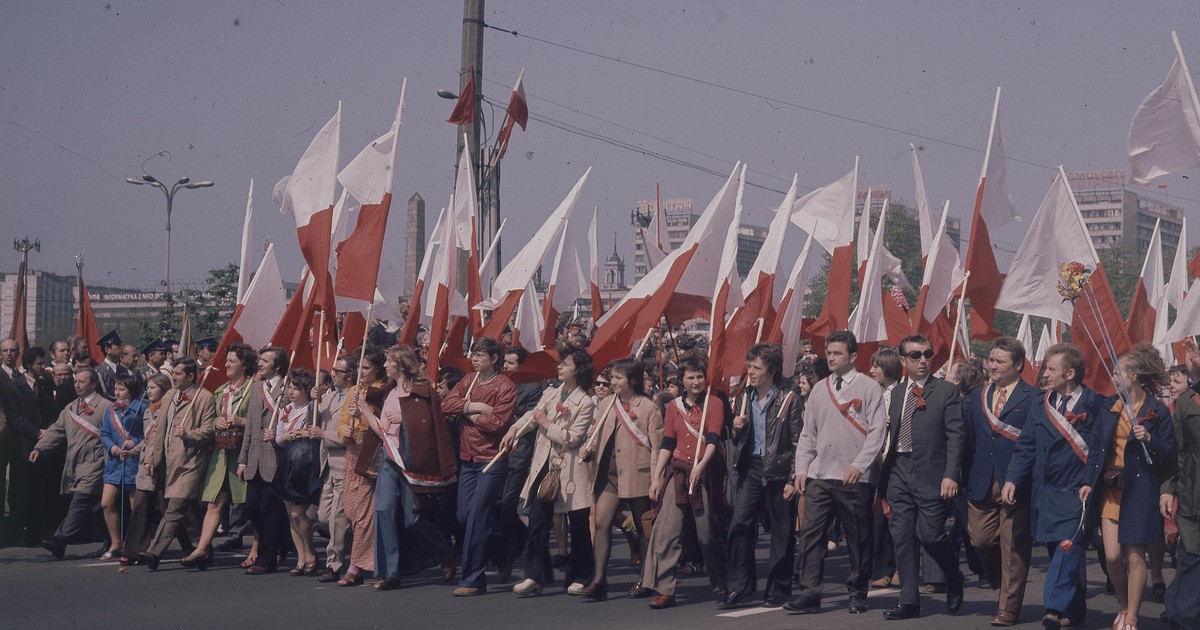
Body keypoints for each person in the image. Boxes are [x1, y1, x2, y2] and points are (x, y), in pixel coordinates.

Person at [1002, 343, 1110, 630]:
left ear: (1070, 373)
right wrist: (1013, 477)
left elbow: (1099, 450)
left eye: (1051, 368)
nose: (1044, 373)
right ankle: (1074, 609)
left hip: (1078, 491)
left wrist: (1089, 481)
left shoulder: (1096, 404)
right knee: (1057, 551)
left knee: (1067, 549)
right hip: (1046, 491)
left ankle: (1052, 608)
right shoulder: (1041, 404)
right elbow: (1025, 446)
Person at [785, 330, 887, 615]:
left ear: (853, 356)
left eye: (837, 353)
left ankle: (857, 591)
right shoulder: (819, 389)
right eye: (829, 353)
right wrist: (802, 469)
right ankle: (809, 592)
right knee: (811, 535)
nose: (831, 358)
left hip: (854, 477)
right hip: (821, 475)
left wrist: (859, 465)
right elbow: (808, 434)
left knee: (857, 537)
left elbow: (877, 432)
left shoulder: (869, 388)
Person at [879, 334, 966, 620]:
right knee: (901, 536)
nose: (923, 361)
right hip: (899, 471)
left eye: (927, 354)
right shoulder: (895, 393)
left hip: (931, 472)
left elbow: (956, 436)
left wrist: (951, 474)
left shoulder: (945, 392)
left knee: (930, 535)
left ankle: (953, 575)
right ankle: (909, 601)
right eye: (915, 356)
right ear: (903, 360)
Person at [357, 345, 457, 590]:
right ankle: (390, 572)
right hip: (390, 460)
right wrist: (364, 410)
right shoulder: (387, 392)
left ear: (400, 365)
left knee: (413, 520)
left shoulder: (423, 391)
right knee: (383, 510)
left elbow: (429, 424)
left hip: (414, 462)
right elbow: (381, 429)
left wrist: (405, 418)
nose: (385, 366)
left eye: (389, 362)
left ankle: (445, 554)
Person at [500, 348, 597, 598]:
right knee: (537, 522)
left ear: (579, 370)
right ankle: (536, 574)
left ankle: (580, 575)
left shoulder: (584, 402)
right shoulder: (551, 392)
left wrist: (546, 423)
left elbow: (573, 439)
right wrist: (514, 430)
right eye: (561, 363)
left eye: (566, 364)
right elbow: (531, 418)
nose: (560, 367)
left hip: (569, 471)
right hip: (543, 466)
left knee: (578, 526)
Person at [1095, 350, 1176, 630]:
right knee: (1113, 557)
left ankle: (1132, 617)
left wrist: (1150, 437)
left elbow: (1170, 454)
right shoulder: (1109, 407)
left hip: (1141, 490)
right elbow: (1097, 449)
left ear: (1134, 376)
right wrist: (1085, 482)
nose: (1114, 377)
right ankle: (1123, 604)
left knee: (1134, 556)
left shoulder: (1158, 410)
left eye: (1118, 372)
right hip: (1111, 490)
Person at [640, 355, 729, 609]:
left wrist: (701, 466)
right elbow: (667, 443)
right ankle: (665, 589)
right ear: (682, 380)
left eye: (700, 376)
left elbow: (713, 439)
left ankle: (723, 583)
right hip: (677, 473)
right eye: (690, 377)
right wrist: (656, 476)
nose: (696, 381)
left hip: (704, 474)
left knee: (707, 536)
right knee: (666, 532)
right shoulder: (672, 407)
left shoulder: (714, 402)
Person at [963, 337, 1040, 626]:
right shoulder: (977, 396)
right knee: (980, 540)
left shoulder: (1033, 398)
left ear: (1018, 365)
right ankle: (999, 580)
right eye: (990, 360)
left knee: (1013, 548)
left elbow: (1032, 443)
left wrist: (1020, 477)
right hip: (983, 480)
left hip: (1016, 483)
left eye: (999, 361)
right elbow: (971, 439)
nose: (992, 366)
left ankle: (1008, 608)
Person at [722, 343, 804, 609]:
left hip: (780, 471)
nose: (751, 373)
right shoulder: (744, 396)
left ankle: (779, 589)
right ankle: (740, 588)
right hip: (752, 468)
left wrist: (793, 478)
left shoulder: (788, 397)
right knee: (740, 525)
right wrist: (736, 429)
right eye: (749, 367)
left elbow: (797, 442)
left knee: (781, 530)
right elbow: (740, 437)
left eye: (756, 368)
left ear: (771, 369)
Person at [576, 357, 663, 602]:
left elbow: (657, 448)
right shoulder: (606, 403)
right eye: (612, 377)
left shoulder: (648, 408)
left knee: (644, 529)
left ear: (632, 380)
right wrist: (588, 446)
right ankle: (599, 580)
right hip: (610, 475)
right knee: (602, 523)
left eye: (617, 378)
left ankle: (645, 580)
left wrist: (657, 478)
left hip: (639, 474)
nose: (612, 382)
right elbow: (597, 432)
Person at [441, 336, 518, 597]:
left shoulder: (505, 387)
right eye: (472, 354)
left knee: (476, 518)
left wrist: (468, 415)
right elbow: (446, 405)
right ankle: (500, 549)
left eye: (480, 355)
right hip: (468, 457)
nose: (474, 359)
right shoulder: (468, 381)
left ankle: (473, 578)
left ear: (494, 359)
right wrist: (473, 406)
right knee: (464, 516)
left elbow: (497, 423)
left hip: (491, 459)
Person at [139, 356, 216, 570]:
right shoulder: (170, 396)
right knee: (184, 510)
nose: (173, 377)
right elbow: (157, 430)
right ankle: (201, 550)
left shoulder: (205, 398)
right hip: (167, 462)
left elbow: (209, 430)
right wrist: (151, 458)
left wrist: (189, 434)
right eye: (172, 373)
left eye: (178, 374)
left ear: (191, 376)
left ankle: (154, 553)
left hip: (190, 462)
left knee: (175, 508)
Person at [185, 343, 256, 567]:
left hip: (244, 454)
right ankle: (201, 549)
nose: (226, 364)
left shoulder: (254, 389)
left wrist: (242, 421)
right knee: (214, 503)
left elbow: (263, 421)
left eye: (231, 361)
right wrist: (216, 421)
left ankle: (256, 549)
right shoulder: (220, 391)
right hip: (222, 455)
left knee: (251, 505)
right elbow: (214, 417)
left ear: (244, 365)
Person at [30, 367, 112, 558]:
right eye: (76, 381)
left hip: (95, 464)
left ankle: (59, 540)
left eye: (82, 382)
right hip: (74, 465)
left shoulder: (106, 406)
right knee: (97, 507)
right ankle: (113, 540)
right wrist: (39, 448)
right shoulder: (70, 408)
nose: (77, 385)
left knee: (80, 502)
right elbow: (56, 431)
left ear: (93, 384)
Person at [238, 346, 290, 575]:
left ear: (277, 366)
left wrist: (278, 433)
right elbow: (249, 426)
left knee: (269, 509)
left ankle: (266, 560)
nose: (260, 363)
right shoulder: (257, 387)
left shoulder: (287, 388)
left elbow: (295, 418)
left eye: (266, 360)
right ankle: (285, 539)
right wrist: (242, 460)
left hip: (276, 457)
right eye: (260, 359)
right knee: (250, 508)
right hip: (255, 457)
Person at [337, 345, 386, 586]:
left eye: (366, 368)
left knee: (364, 514)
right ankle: (370, 558)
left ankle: (355, 567)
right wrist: (344, 430)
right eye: (359, 368)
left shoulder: (382, 391)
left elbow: (381, 425)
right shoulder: (354, 390)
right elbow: (342, 423)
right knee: (351, 511)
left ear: (378, 369)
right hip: (351, 453)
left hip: (370, 453)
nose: (361, 372)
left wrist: (363, 415)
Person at [497, 346, 545, 582]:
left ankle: (508, 554)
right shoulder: (497, 382)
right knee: (497, 505)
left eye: (511, 363)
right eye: (504, 362)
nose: (506, 367)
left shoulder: (534, 387)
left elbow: (530, 417)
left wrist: (511, 411)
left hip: (519, 452)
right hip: (495, 451)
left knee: (508, 503)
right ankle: (518, 535)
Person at [272, 368, 324, 576]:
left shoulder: (314, 408)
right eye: (290, 388)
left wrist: (304, 432)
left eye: (296, 388)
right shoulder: (286, 409)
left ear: (306, 390)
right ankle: (301, 558)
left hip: (306, 461)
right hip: (288, 460)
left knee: (298, 512)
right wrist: (287, 436)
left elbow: (317, 429)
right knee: (290, 514)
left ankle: (311, 552)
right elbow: (278, 437)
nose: (291, 392)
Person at [1162, 364, 1200, 629]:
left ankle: (1177, 606)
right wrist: (1167, 489)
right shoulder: (1185, 403)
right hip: (1192, 491)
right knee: (1192, 553)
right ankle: (1181, 613)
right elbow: (1177, 452)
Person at [121, 372, 173, 564]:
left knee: (171, 510)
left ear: (163, 389)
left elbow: (159, 440)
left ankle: (195, 547)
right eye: (148, 388)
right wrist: (132, 452)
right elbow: (147, 440)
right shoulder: (147, 412)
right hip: (146, 466)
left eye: (153, 388)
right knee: (141, 506)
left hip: (163, 465)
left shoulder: (168, 410)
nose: (148, 391)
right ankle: (134, 550)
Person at [315, 355, 355, 583]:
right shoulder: (328, 397)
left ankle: (335, 564)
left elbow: (348, 435)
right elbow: (316, 420)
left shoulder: (354, 396)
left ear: (349, 374)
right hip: (327, 464)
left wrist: (324, 435)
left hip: (343, 461)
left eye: (338, 371)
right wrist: (315, 401)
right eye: (333, 370)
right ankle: (356, 550)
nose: (333, 374)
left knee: (337, 519)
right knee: (323, 517)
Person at [98, 373, 146, 559]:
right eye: (116, 388)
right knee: (106, 503)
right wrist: (112, 448)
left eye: (121, 389)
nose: (117, 392)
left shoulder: (142, 408)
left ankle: (134, 545)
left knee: (136, 508)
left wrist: (135, 441)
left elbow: (150, 433)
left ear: (131, 391)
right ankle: (116, 543)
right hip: (115, 463)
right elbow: (104, 433)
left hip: (134, 462)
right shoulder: (111, 410)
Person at [869, 347, 901, 589]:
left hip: (897, 460)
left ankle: (902, 567)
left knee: (897, 517)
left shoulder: (900, 392)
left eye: (877, 367)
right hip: (876, 461)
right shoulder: (873, 393)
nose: (872, 371)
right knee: (879, 517)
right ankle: (883, 568)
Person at [94, 329, 126, 401]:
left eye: (120, 344)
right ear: (107, 349)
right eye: (117, 345)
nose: (121, 347)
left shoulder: (124, 371)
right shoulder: (98, 372)